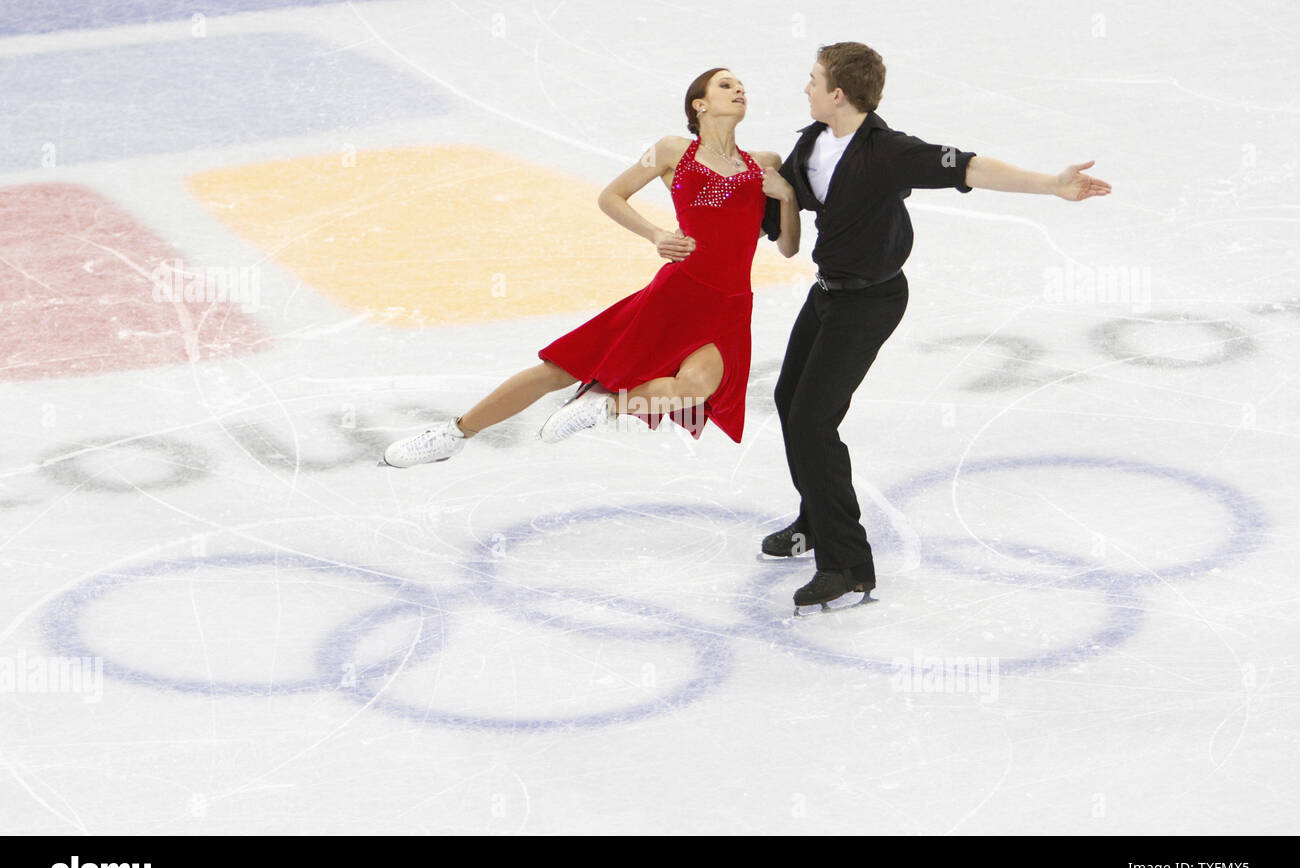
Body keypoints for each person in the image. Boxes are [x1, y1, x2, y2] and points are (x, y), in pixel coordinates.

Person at [758, 42, 1111, 614]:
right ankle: (816, 519)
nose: (806, 88)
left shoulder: (888, 151)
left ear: (840, 94)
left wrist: (1051, 183)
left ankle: (848, 568)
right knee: (789, 398)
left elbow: (970, 166)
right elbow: (780, 193)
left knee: (813, 420)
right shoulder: (812, 142)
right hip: (827, 294)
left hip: (870, 302)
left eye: (814, 80)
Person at [380, 68, 800, 468]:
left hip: (730, 304)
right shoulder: (673, 149)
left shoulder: (764, 161)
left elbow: (787, 247)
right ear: (699, 105)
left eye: (741, 85)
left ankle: (605, 404)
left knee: (697, 387)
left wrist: (787, 197)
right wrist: (656, 235)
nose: (738, 90)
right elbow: (611, 196)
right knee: (560, 370)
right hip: (679, 292)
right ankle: (452, 434)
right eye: (725, 85)